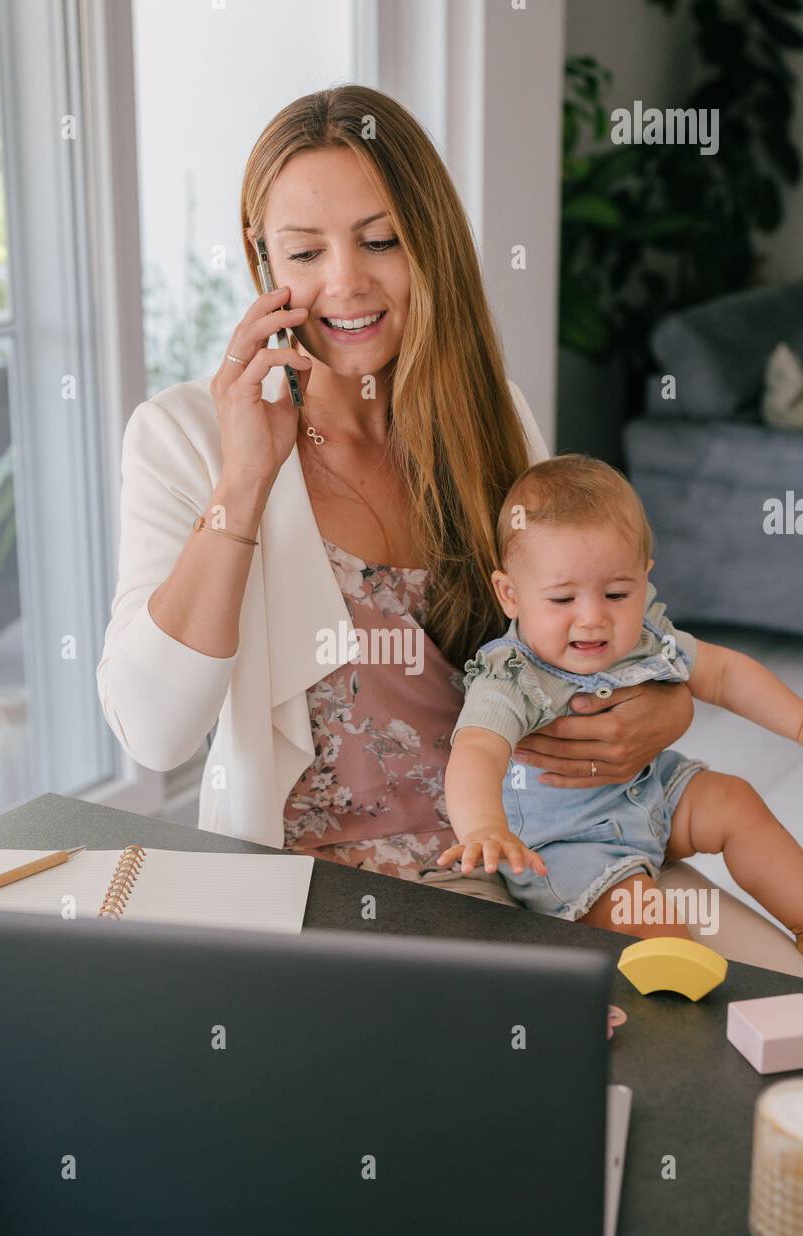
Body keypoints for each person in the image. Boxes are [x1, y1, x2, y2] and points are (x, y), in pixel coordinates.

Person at [96, 84, 801, 974]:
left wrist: (657, 706)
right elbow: (154, 732)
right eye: (305, 250)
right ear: (259, 254)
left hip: (549, 854)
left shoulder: (491, 416)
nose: (346, 283)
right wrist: (243, 478)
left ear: (430, 241)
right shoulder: (186, 439)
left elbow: (583, 625)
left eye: (381, 240)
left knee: (776, 995)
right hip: (333, 898)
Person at [438, 455, 803, 949]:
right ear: (510, 594)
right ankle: (672, 995)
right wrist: (484, 827)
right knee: (645, 914)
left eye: (615, 593)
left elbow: (724, 674)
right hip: (570, 845)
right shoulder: (512, 675)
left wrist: (797, 723)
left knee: (735, 801)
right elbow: (477, 749)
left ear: (644, 578)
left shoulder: (648, 634)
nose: (592, 618)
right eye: (563, 600)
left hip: (649, 795)